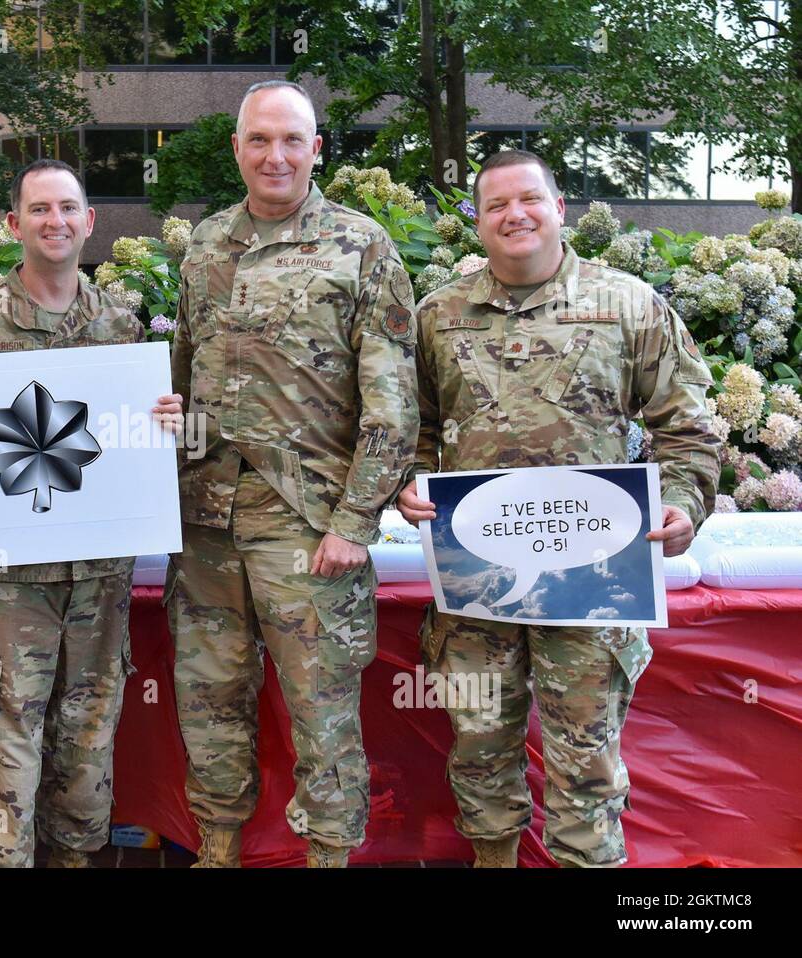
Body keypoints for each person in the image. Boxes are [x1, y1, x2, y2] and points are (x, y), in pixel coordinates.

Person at [397, 149, 719, 867]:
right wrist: (410, 482)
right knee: (480, 749)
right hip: (478, 580)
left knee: (586, 759)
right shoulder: (438, 317)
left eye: (530, 199)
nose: (516, 215)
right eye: (496, 205)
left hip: (592, 582)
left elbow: (688, 425)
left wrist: (680, 503)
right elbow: (406, 427)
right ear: (477, 223)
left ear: (559, 206)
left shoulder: (628, 306)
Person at [0, 158, 183, 868]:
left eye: (68, 208)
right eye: (39, 210)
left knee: (86, 752)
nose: (56, 222)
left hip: (97, 584)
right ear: (14, 224)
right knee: (1, 753)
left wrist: (165, 423)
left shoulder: (120, 323)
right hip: (10, 584)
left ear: (89, 221)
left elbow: (129, 447)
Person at [167, 80, 419, 868]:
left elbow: (392, 401)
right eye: (257, 140)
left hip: (305, 525)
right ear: (237, 148)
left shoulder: (361, 246)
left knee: (322, 711)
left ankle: (331, 855)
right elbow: (184, 375)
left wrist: (353, 523)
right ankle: (217, 844)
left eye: (290, 140)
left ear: (317, 149)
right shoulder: (207, 243)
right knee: (209, 703)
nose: (274, 155)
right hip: (206, 521)